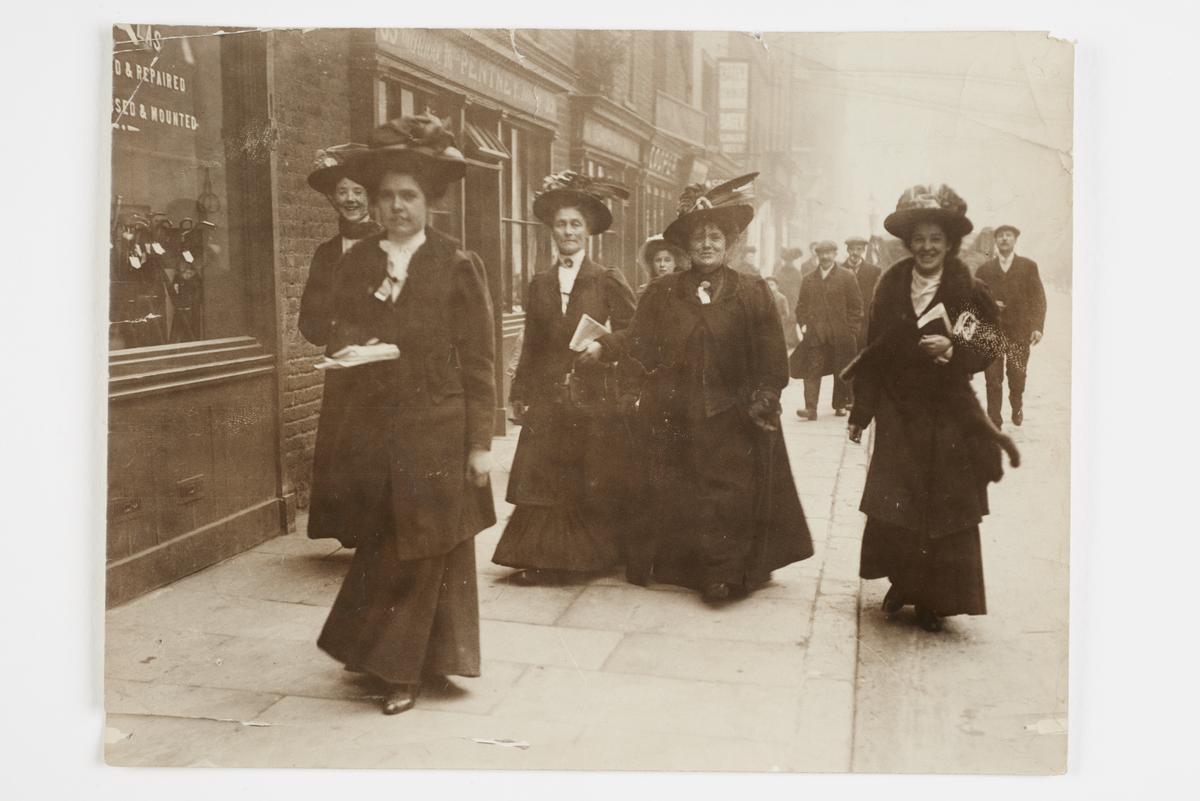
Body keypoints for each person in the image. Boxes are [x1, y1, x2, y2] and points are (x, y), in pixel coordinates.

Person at [314, 115, 496, 715]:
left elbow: (479, 358)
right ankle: (387, 654)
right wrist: (352, 346)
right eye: (388, 195)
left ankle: (403, 672)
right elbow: (339, 325)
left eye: (409, 196)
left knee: (426, 544)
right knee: (385, 540)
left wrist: (479, 444)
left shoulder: (455, 262)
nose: (397, 207)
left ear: (428, 202)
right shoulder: (358, 261)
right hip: (375, 423)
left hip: (438, 424)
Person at [587, 173, 814, 602]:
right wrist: (631, 393)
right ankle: (692, 568)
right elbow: (638, 348)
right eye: (698, 238)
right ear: (686, 246)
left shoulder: (751, 291)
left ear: (728, 243)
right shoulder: (663, 292)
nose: (707, 245)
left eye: (715, 237)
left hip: (733, 412)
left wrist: (766, 396)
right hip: (676, 413)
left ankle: (722, 574)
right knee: (685, 492)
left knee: (728, 493)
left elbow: (771, 353)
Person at [847, 183, 1008, 633]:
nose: (927, 247)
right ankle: (903, 583)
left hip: (947, 417)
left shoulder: (968, 289)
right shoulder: (890, 286)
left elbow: (994, 344)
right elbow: (873, 352)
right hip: (898, 414)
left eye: (936, 239)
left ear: (949, 243)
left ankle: (934, 597)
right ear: (908, 243)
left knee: (941, 507)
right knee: (898, 504)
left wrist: (954, 348)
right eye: (919, 239)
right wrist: (862, 412)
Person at [492, 170, 638, 586]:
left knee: (587, 475)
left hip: (591, 395)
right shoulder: (539, 283)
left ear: (588, 230)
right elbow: (533, 343)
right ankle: (544, 558)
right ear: (551, 231)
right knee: (544, 477)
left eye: (575, 224)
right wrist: (519, 392)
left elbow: (635, 330)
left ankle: (591, 557)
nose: (568, 232)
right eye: (561, 224)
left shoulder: (607, 279)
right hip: (548, 397)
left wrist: (604, 346)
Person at [299, 143, 382, 548]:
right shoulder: (326, 254)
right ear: (333, 199)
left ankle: (382, 532)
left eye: (357, 191)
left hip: (382, 367)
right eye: (342, 192)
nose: (349, 199)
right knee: (345, 448)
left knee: (377, 446)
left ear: (370, 196)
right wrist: (330, 329)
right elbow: (309, 316)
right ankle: (354, 529)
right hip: (341, 370)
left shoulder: (390, 246)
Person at [975, 224, 1047, 428]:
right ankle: (994, 423)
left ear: (1015, 240)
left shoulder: (1028, 266)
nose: (1004, 239)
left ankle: (1017, 404)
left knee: (1017, 377)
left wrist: (1037, 327)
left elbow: (1038, 298)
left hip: (1019, 332)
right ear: (995, 241)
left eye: (1008, 235)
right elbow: (975, 298)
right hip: (992, 333)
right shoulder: (985, 269)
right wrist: (990, 304)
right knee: (993, 380)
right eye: (1000, 236)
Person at [789, 240, 863, 419]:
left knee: (842, 369)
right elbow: (801, 306)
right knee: (811, 370)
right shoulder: (808, 279)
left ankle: (840, 404)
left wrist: (851, 329)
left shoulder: (847, 277)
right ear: (817, 256)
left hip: (841, 334)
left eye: (829, 253)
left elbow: (856, 306)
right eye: (822, 253)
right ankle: (810, 408)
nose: (825, 257)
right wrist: (804, 324)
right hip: (816, 334)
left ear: (835, 254)